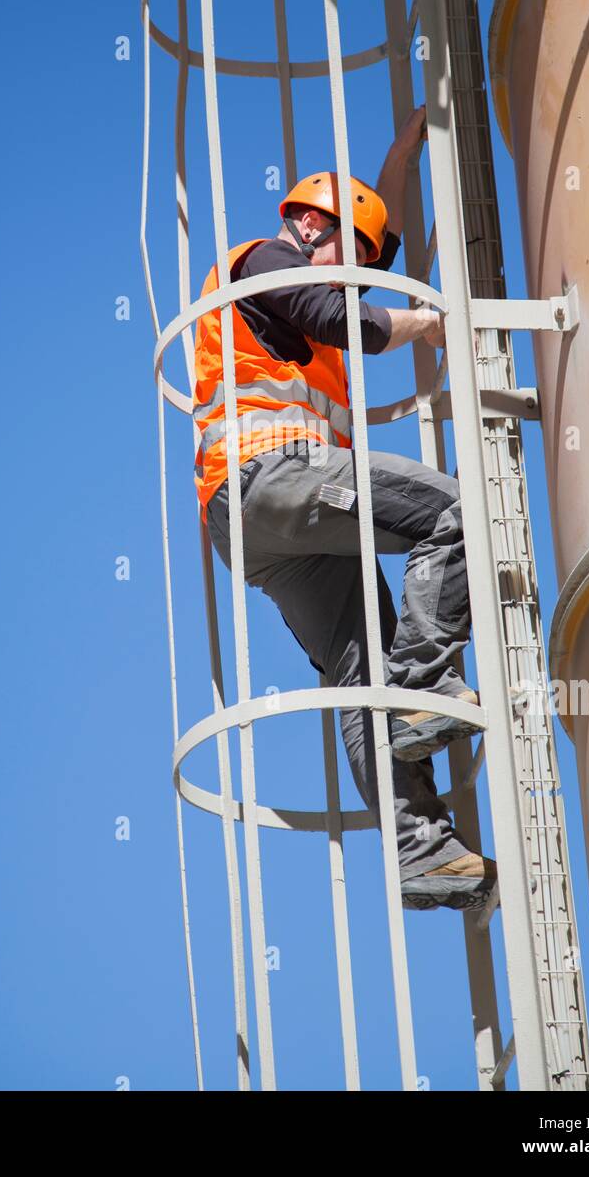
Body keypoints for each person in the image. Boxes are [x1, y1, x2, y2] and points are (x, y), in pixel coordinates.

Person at [192, 107, 496, 912]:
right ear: (301, 223)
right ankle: (425, 682)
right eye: (344, 251)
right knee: (455, 511)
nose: (352, 270)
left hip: (265, 525)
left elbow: (369, 255)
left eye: (363, 258)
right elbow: (351, 317)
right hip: (274, 476)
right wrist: (429, 323)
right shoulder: (267, 260)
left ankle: (421, 852)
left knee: (362, 673)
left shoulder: (317, 271)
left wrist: (399, 158)